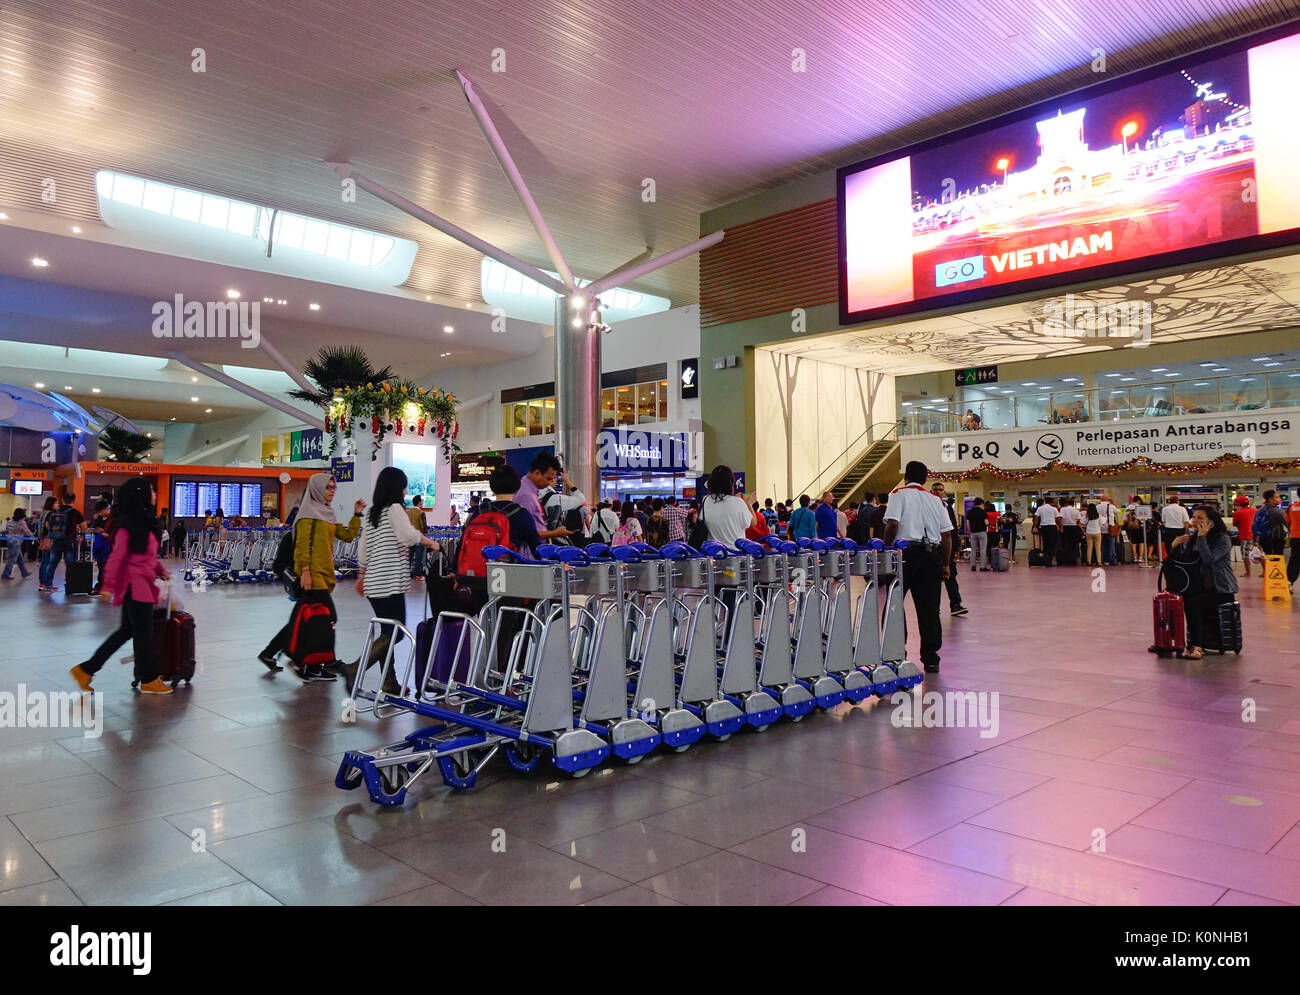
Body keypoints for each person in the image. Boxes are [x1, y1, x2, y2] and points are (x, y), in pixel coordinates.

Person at [69, 478, 174, 695]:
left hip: (142, 583)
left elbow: (144, 555)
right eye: (151, 491)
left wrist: (159, 570)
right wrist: (107, 585)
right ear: (141, 495)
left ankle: (86, 670)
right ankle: (149, 679)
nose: (154, 494)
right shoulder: (127, 526)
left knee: (126, 631)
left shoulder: (143, 524)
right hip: (135, 586)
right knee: (143, 634)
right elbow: (117, 557)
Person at [341, 467, 441, 693]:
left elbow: (363, 548)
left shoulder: (374, 512)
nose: (405, 490)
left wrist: (361, 575)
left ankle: (389, 683)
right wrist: (430, 542)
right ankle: (356, 668)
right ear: (397, 487)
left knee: (388, 631)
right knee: (395, 631)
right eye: (404, 485)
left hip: (374, 582)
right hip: (389, 581)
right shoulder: (396, 509)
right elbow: (408, 535)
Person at [258, 473, 364, 680]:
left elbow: (348, 536)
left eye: (334, 487)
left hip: (323, 574)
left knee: (303, 620)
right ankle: (309, 662)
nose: (332, 490)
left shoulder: (327, 514)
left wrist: (357, 514)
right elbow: (302, 546)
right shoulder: (308, 516)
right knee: (327, 618)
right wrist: (305, 571)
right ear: (316, 489)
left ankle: (279, 656)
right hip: (312, 575)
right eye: (328, 487)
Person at [885, 462, 953, 673]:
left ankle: (897, 654)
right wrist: (946, 563)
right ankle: (931, 658)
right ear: (926, 479)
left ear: (906, 476)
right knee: (930, 609)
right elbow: (946, 535)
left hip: (905, 555)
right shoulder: (936, 500)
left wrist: (886, 548)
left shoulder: (898, 493)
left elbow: (893, 524)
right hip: (931, 555)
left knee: (894, 604)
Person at [1170, 506, 1238, 660]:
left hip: (1221, 589)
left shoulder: (1222, 539)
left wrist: (1202, 537)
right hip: (1199, 587)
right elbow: (1184, 563)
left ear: (1211, 522)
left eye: (1200, 518)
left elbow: (1209, 559)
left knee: (1194, 603)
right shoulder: (1193, 538)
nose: (1195, 520)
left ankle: (1197, 647)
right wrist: (1174, 546)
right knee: (1183, 600)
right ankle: (1178, 643)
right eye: (1194, 517)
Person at [516, 452, 573, 542]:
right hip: (528, 553)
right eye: (548, 478)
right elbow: (526, 533)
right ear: (537, 473)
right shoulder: (526, 495)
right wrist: (555, 533)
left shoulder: (529, 489)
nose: (550, 482)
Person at [930, 483, 968, 616]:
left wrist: (956, 546)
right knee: (934, 578)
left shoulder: (948, 508)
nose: (938, 492)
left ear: (944, 492)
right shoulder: (928, 507)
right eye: (935, 490)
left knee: (951, 576)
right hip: (933, 546)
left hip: (947, 547)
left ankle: (956, 604)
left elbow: (952, 529)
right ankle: (934, 607)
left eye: (940, 490)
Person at [38, 492, 83, 593]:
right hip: (70, 541)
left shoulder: (55, 512)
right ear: (74, 500)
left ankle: (47, 585)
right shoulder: (75, 512)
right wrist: (81, 535)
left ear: (63, 500)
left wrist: (53, 533)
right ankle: (70, 585)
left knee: (52, 563)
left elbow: (47, 525)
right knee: (70, 564)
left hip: (56, 541)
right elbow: (84, 526)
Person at [696, 464, 752, 546]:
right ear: (730, 483)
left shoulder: (706, 500)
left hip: (713, 553)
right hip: (735, 554)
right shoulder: (739, 502)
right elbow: (749, 523)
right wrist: (749, 503)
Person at [1253, 490, 1288, 559]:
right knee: (1277, 559)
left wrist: (1255, 539)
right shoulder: (1276, 511)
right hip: (1276, 539)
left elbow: (1254, 525)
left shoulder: (1259, 510)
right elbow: (1287, 522)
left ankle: (1269, 569)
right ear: (1270, 499)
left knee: (1269, 558)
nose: (1280, 499)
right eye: (1277, 497)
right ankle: (1276, 569)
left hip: (1263, 539)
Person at [87, 499, 112, 594]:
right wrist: (95, 530)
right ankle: (101, 585)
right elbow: (92, 527)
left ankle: (102, 585)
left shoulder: (112, 520)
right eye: (99, 512)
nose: (101, 514)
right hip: (99, 545)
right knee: (101, 566)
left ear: (107, 509)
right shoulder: (98, 519)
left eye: (102, 511)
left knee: (106, 567)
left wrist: (103, 532)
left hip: (108, 546)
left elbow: (111, 533)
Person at [2, 508, 33, 580]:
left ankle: (24, 572)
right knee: (12, 559)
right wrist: (33, 536)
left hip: (9, 541)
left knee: (20, 558)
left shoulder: (9, 521)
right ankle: (5, 574)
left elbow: (6, 531)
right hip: (17, 542)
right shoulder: (21, 522)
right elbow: (26, 531)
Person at [1231, 494, 1255, 577]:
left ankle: (1248, 572)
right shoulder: (1254, 510)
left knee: (1245, 555)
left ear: (1239, 504)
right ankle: (1264, 571)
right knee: (1260, 554)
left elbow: (1234, 524)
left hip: (1244, 536)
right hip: (1255, 536)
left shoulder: (1237, 513)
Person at [1035, 496, 1061, 566]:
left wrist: (1035, 527)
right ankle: (1050, 560)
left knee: (1045, 544)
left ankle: (1046, 561)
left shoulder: (1040, 508)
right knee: (1052, 544)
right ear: (1051, 502)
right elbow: (1058, 519)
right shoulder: (1054, 509)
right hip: (1052, 527)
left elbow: (1036, 518)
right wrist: (1059, 526)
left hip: (1043, 527)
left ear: (1045, 501)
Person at [966, 497, 990, 571]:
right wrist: (988, 523)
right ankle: (982, 567)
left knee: (973, 550)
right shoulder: (983, 512)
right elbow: (986, 522)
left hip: (973, 533)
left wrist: (970, 531)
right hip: (982, 532)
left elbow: (968, 523)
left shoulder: (970, 511)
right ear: (981, 504)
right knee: (983, 550)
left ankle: (973, 566)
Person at [1097, 493, 1120, 567]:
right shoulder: (1111, 506)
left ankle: (1104, 560)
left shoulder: (1097, 507)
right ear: (1107, 499)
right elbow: (1118, 512)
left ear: (1101, 499)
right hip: (1110, 528)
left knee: (1103, 545)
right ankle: (1111, 560)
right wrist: (1113, 502)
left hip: (1100, 528)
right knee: (1111, 545)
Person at [1059, 498, 1083, 565]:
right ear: (1073, 504)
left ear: (1067, 504)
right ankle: (1073, 560)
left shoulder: (1063, 509)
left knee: (1066, 543)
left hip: (1065, 528)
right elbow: (1078, 521)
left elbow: (1060, 518)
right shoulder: (1076, 510)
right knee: (1073, 544)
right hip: (1074, 528)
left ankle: (1066, 559)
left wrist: (1061, 526)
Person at [1286, 495, 1300, 588]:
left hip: (1295, 537)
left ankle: (1289, 583)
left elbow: (1287, 521)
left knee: (1294, 560)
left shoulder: (1292, 507)